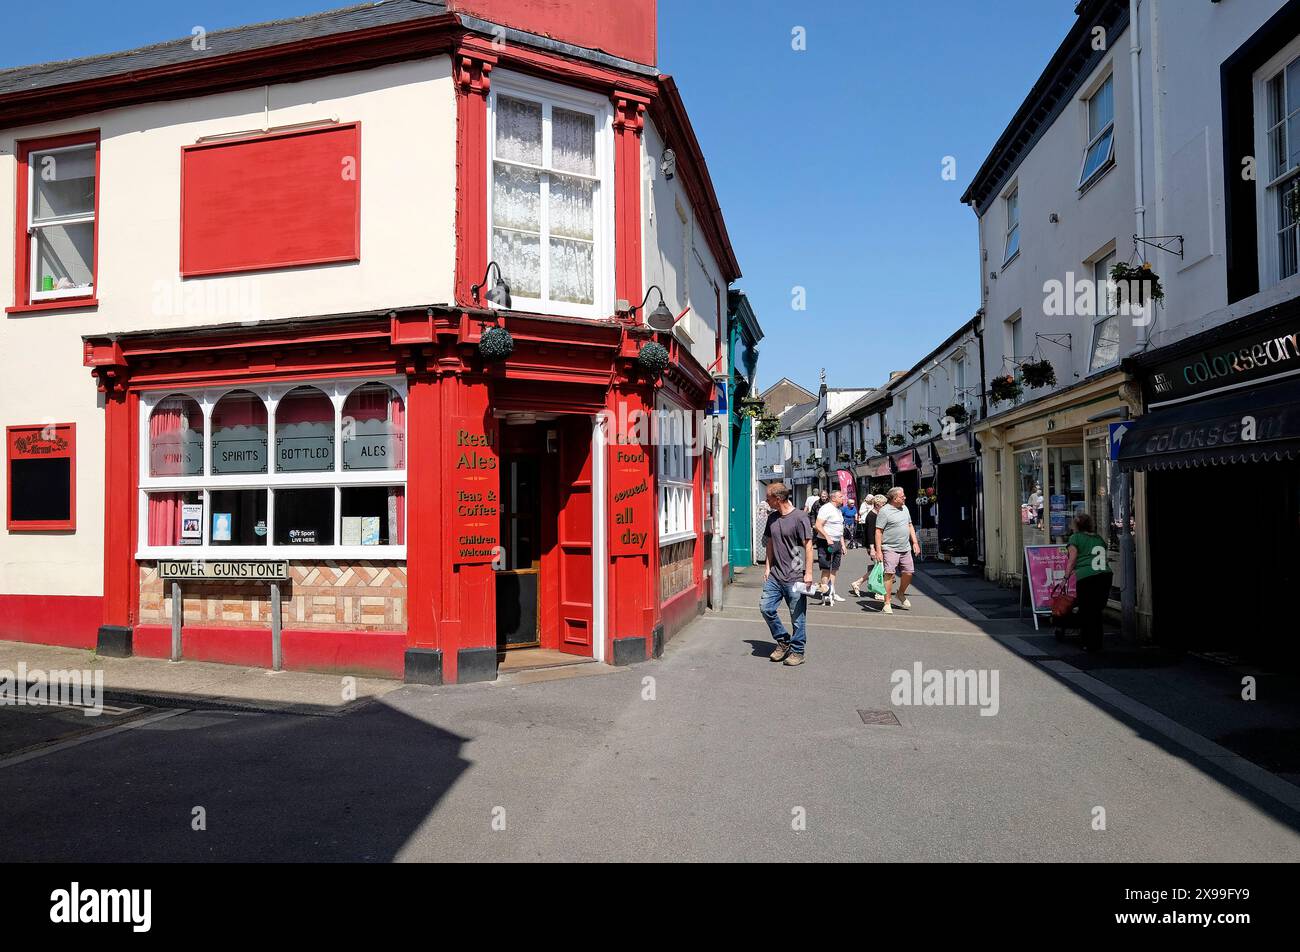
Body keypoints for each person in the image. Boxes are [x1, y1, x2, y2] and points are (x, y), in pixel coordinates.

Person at [760, 482, 814, 666]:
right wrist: (768, 567)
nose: (766, 501)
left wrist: (808, 573)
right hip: (775, 574)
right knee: (766, 608)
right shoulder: (772, 518)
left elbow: (808, 545)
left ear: (778, 498)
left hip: (795, 575)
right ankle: (783, 641)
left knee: (797, 618)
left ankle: (798, 651)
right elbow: (769, 544)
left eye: (768, 498)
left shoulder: (800, 517)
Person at [1065, 512, 1113, 652]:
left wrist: (1065, 577)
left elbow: (1072, 559)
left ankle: (1088, 642)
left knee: (1086, 610)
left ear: (1076, 526)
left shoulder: (1075, 538)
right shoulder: (1099, 539)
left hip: (1087, 577)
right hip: (1105, 575)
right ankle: (1097, 642)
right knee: (1097, 610)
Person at [874, 487, 921, 615]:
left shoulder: (904, 508)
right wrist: (878, 551)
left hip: (905, 547)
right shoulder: (884, 511)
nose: (904, 497)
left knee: (909, 573)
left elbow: (909, 525)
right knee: (889, 573)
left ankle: (900, 593)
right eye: (902, 496)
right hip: (889, 547)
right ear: (894, 499)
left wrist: (915, 542)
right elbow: (878, 531)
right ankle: (887, 603)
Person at [813, 489, 846, 605]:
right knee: (826, 568)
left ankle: (832, 591)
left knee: (834, 569)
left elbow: (839, 528)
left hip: (836, 541)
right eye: (841, 496)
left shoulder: (838, 510)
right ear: (833, 498)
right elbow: (818, 525)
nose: (843, 498)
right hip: (826, 542)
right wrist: (827, 537)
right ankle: (825, 592)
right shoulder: (826, 508)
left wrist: (842, 544)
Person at [849, 495, 885, 598]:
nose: (885, 506)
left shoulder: (878, 514)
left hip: (878, 545)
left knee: (879, 567)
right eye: (883, 504)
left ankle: (858, 583)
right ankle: (878, 592)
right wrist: (872, 549)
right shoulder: (871, 516)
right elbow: (870, 534)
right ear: (878, 505)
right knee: (880, 568)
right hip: (873, 545)